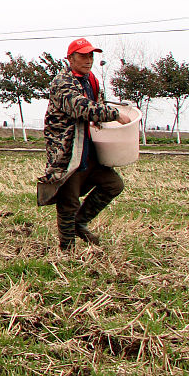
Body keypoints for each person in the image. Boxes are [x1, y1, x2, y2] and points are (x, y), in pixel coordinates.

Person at [37, 37, 123, 251]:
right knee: (69, 202)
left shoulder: (90, 79)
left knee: (113, 184)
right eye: (83, 55)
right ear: (70, 58)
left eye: (91, 55)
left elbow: (97, 105)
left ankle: (79, 222)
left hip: (89, 149)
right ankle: (67, 250)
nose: (88, 60)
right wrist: (114, 114)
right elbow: (80, 108)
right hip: (69, 151)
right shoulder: (62, 82)